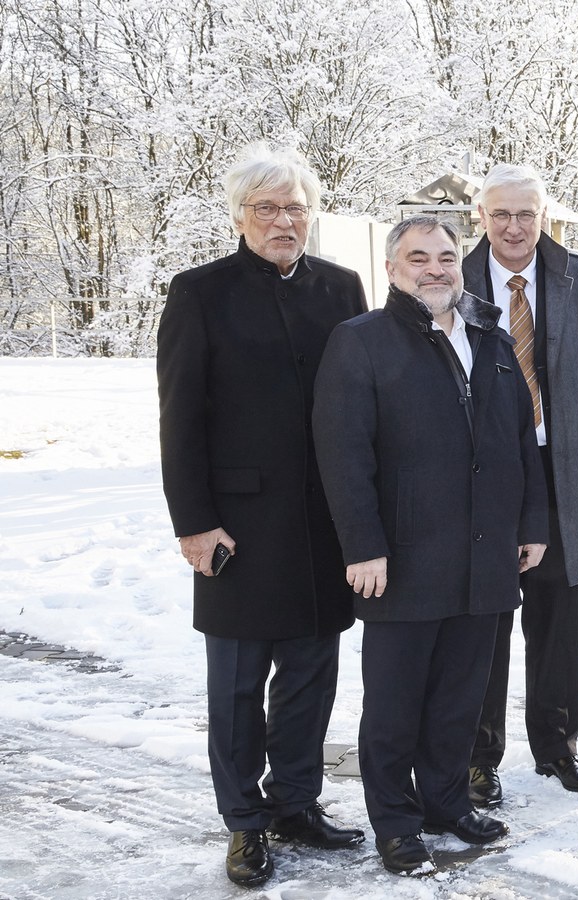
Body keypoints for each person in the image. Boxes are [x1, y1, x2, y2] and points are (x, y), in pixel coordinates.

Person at [156, 143, 366, 888]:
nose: (284, 221)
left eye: (296, 208)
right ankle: (244, 823)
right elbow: (179, 420)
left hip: (321, 526)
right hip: (237, 530)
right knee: (239, 687)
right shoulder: (200, 292)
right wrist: (194, 523)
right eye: (268, 208)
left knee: (312, 676)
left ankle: (296, 803)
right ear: (240, 215)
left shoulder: (343, 289)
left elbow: (359, 401)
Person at [313, 215, 548, 876]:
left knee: (459, 696)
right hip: (402, 559)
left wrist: (531, 523)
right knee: (395, 704)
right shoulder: (360, 342)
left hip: (484, 555)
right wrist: (363, 546)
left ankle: (446, 801)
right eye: (419, 257)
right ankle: (397, 822)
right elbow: (342, 454)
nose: (436, 268)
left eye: (446, 256)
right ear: (392, 269)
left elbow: (517, 441)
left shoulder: (492, 338)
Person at [461, 164, 578, 801]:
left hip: (560, 470)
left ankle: (558, 747)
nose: (513, 227)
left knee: (559, 618)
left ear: (543, 217)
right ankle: (478, 756)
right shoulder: (456, 275)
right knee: (485, 619)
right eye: (500, 214)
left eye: (525, 214)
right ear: (482, 217)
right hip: (482, 476)